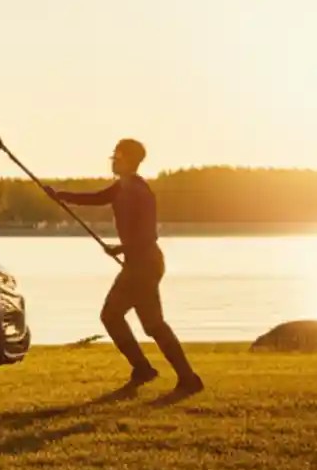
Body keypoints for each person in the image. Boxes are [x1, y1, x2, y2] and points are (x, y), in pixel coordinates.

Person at [44, 138, 204, 394]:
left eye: (117, 157)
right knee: (152, 324)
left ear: (129, 161)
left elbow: (148, 236)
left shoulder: (140, 191)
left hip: (144, 264)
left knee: (114, 316)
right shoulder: (122, 187)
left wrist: (121, 249)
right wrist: (61, 196)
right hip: (140, 263)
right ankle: (182, 377)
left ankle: (151, 370)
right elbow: (96, 198)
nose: (113, 161)